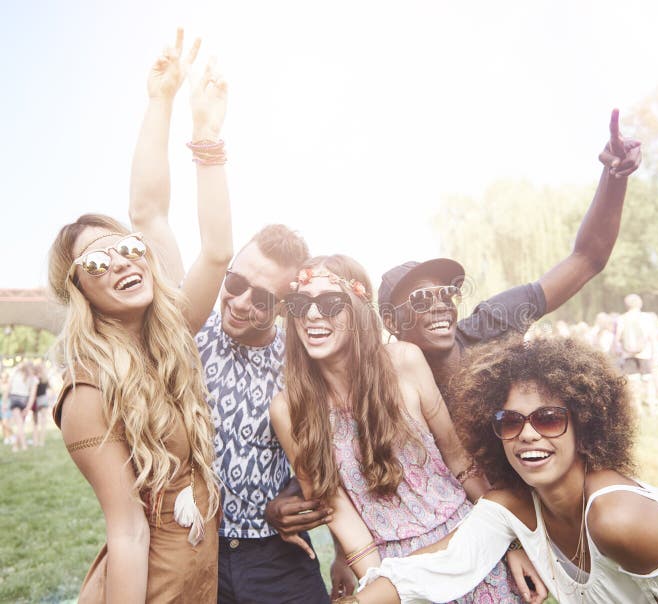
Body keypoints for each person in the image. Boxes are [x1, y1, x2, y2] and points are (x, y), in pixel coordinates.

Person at [350, 337, 658, 604]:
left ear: (584, 427)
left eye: (547, 418)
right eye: (510, 422)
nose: (527, 434)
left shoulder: (616, 519)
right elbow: (434, 568)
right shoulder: (508, 505)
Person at [128, 45, 331, 604]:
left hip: (277, 554)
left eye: (262, 298)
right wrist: (171, 108)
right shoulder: (188, 328)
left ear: (286, 305)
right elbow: (152, 218)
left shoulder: (304, 353)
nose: (240, 302)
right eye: (236, 283)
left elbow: (331, 449)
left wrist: (293, 495)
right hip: (194, 547)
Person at [48, 30, 231, 601]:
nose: (121, 261)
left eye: (126, 248)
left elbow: (207, 246)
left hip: (200, 580)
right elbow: (126, 532)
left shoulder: (172, 336)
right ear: (80, 289)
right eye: (96, 262)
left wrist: (194, 127)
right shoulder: (87, 389)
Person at [270, 255, 545, 603]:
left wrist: (510, 542)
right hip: (393, 566)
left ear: (357, 309)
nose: (311, 316)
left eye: (328, 303)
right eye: (300, 304)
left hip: (470, 538)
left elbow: (460, 462)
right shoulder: (288, 410)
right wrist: (382, 582)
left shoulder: (405, 361)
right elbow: (337, 511)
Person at [378, 110, 641, 398]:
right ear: (391, 321)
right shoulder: (383, 384)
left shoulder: (491, 327)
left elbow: (587, 258)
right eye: (421, 298)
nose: (440, 304)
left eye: (445, 293)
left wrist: (614, 175)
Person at [614, 294, 655, 415]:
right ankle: (652, 407)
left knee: (633, 382)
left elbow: (617, 338)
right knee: (648, 381)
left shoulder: (622, 318)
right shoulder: (646, 317)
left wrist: (620, 351)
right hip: (645, 354)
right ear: (640, 303)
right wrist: (654, 353)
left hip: (628, 354)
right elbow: (652, 337)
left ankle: (638, 409)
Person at [31, 363, 52, 446]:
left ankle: (35, 442)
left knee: (35, 422)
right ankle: (41, 441)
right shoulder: (45, 378)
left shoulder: (34, 378)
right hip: (43, 399)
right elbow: (50, 389)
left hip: (36, 399)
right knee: (43, 421)